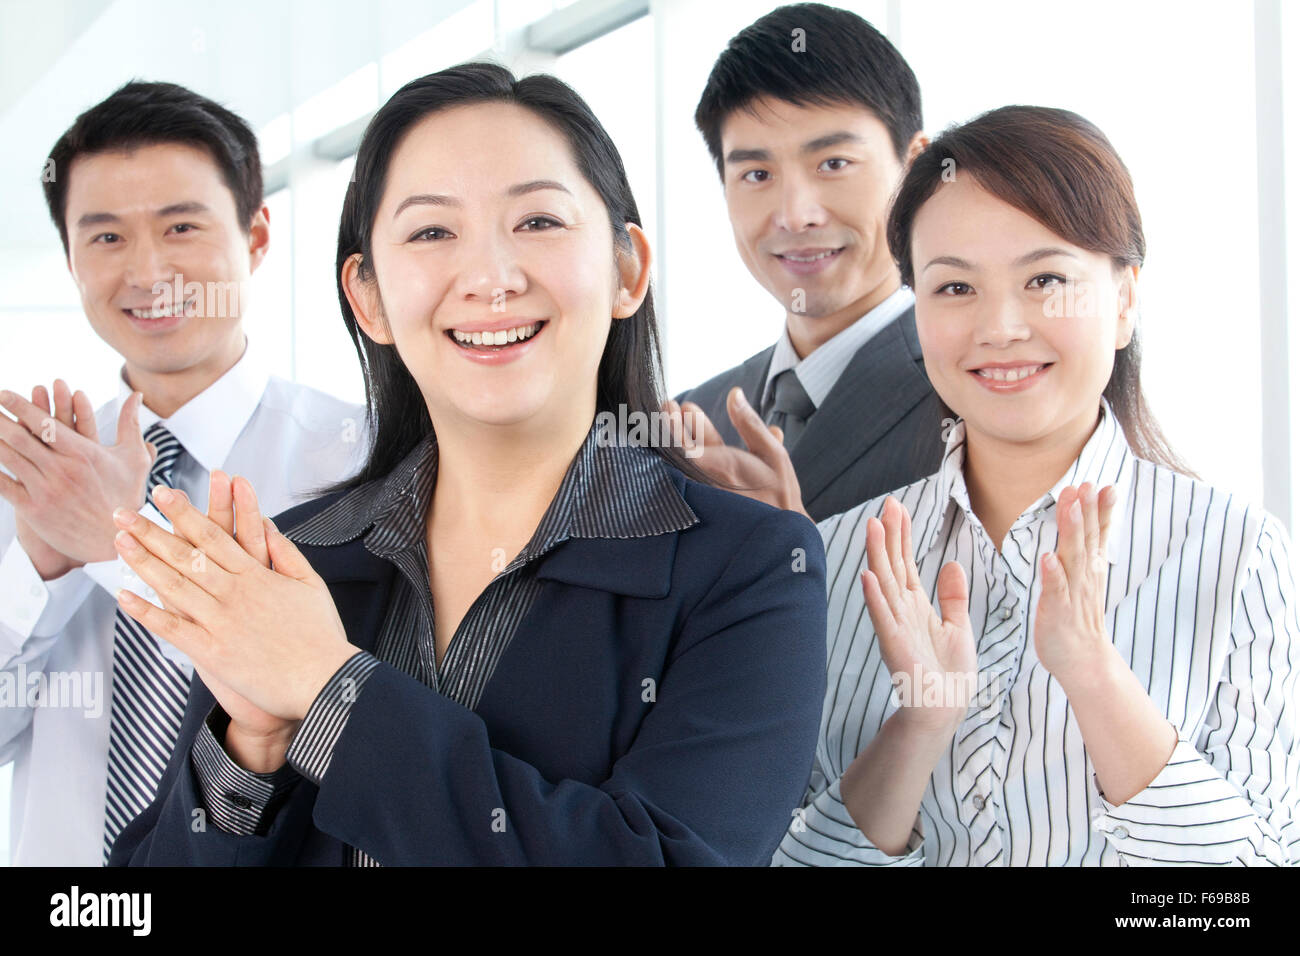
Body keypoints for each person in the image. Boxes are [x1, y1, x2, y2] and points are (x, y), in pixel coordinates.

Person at [106, 62, 827, 866]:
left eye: (539, 222)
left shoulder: (750, 568)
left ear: (627, 270)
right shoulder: (290, 558)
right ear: (369, 298)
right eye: (431, 232)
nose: (490, 278)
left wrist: (329, 688)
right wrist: (250, 747)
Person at [774, 105, 1300, 866]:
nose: (1001, 327)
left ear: (1122, 301)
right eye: (954, 289)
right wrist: (917, 726)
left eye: (1046, 278)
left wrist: (1093, 677)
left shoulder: (1236, 552)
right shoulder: (835, 558)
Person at [0, 81, 365, 866]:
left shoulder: (357, 460)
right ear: (69, 260)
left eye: (181, 226)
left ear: (256, 236)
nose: (147, 270)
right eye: (104, 238)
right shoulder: (30, 474)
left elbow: (331, 714)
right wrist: (36, 564)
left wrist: (116, 541)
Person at [671, 3, 945, 521]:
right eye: (756, 174)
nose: (795, 215)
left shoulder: (973, 398)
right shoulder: (691, 421)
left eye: (833, 163)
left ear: (914, 168)